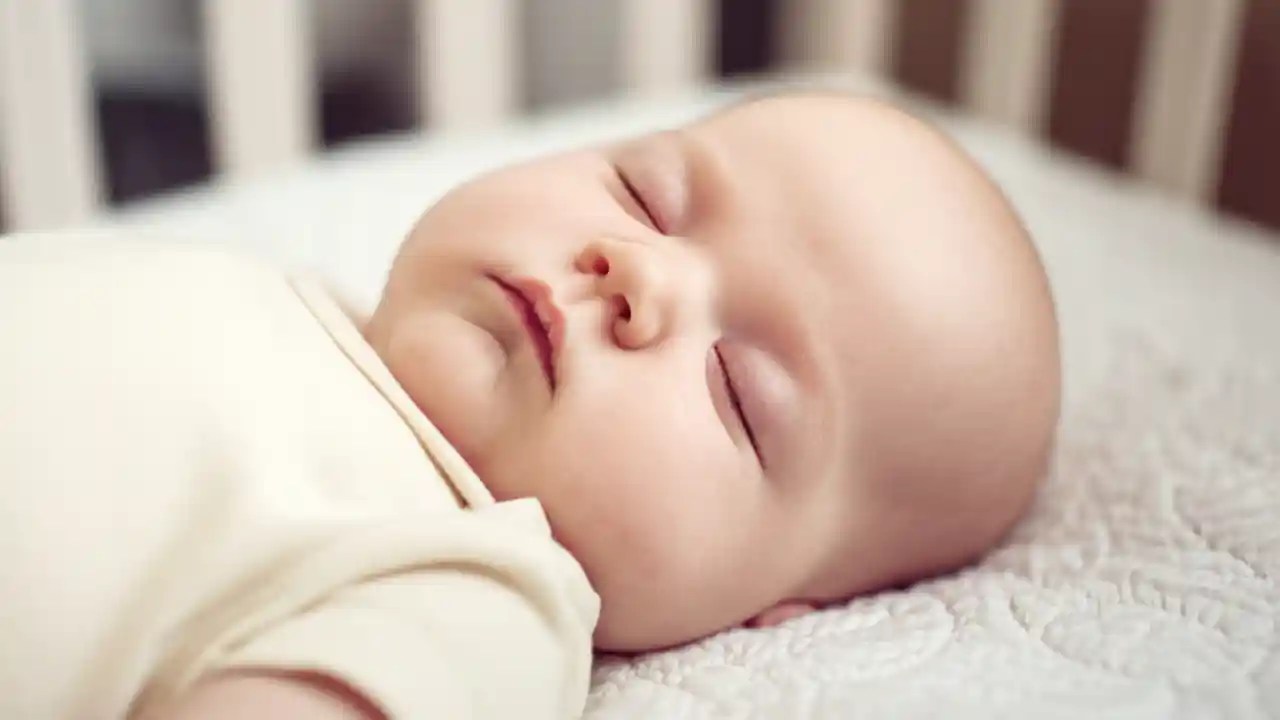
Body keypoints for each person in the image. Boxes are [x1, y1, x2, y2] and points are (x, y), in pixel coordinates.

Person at [0, 93, 1060, 720]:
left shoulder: (479, 590)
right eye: (646, 195)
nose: (639, 272)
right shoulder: (283, 294)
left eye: (736, 390)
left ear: (779, 603)